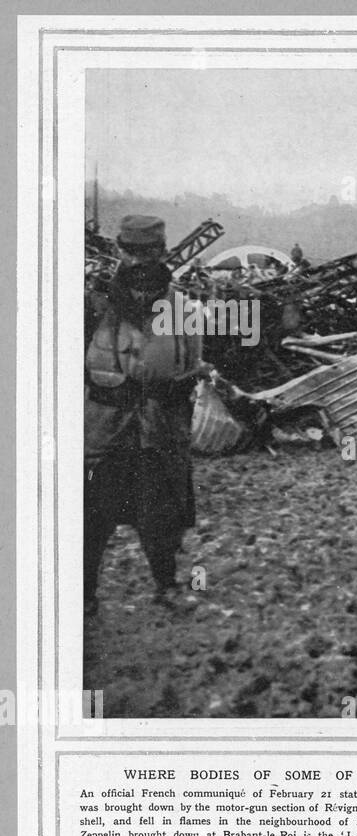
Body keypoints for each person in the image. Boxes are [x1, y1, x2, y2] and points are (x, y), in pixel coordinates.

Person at [84, 215, 207, 616]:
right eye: (131, 251)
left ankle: (166, 586)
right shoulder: (92, 304)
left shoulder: (183, 308)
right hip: (103, 433)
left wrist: (176, 390)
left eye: (149, 252)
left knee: (162, 515)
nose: (139, 260)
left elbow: (193, 365)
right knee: (91, 518)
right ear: (119, 250)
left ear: (162, 252)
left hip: (159, 431)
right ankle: (83, 596)